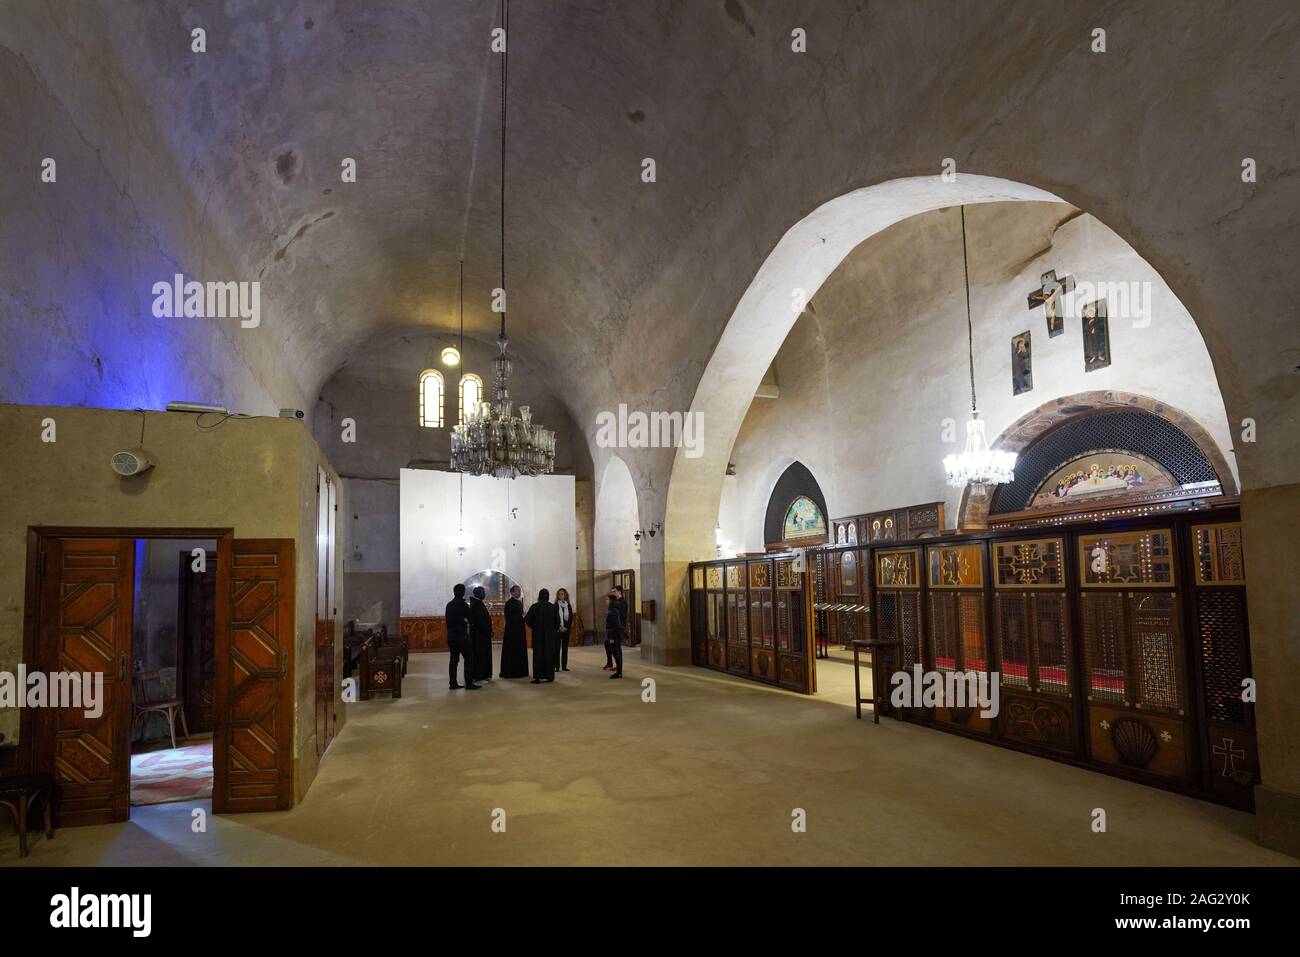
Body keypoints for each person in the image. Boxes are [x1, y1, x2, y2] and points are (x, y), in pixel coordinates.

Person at [446, 584, 479, 690]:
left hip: (451, 636)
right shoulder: (463, 605)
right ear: (463, 592)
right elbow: (471, 619)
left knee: (453, 661)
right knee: (469, 658)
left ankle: (453, 683)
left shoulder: (449, 605)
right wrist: (465, 620)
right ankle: (468, 683)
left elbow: (449, 620)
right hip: (462, 637)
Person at [525, 588, 559, 683]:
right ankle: (550, 676)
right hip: (550, 637)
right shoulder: (552, 607)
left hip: (537, 635)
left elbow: (528, 621)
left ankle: (537, 677)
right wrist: (552, 630)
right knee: (549, 655)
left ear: (539, 596)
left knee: (538, 655)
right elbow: (557, 622)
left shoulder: (534, 607)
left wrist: (535, 627)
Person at [499, 584, 530, 678]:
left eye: (519, 590)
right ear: (512, 592)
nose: (519, 592)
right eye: (517, 591)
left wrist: (523, 618)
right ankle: (511, 672)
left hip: (520, 631)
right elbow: (508, 618)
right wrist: (521, 618)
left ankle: (520, 671)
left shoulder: (519, 603)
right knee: (511, 652)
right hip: (511, 632)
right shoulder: (509, 603)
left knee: (519, 651)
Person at [464, 586, 492, 689]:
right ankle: (480, 676)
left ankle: (483, 675)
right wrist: (488, 631)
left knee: (482, 655)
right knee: (480, 655)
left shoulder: (478, 603)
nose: (484, 594)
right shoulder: (476, 605)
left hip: (482, 635)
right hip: (480, 636)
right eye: (482, 592)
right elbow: (480, 622)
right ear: (478, 593)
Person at [554, 587, 574, 672]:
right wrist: (559, 627)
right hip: (558, 630)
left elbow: (571, 618)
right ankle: (557, 666)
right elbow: (554, 618)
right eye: (559, 594)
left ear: (565, 595)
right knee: (557, 648)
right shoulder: (555, 605)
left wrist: (566, 627)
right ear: (557, 596)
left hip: (566, 630)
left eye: (562, 594)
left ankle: (564, 666)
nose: (561, 595)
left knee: (565, 648)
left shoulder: (568, 605)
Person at [604, 593, 624, 679]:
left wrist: (611, 638)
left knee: (616, 653)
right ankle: (618, 670)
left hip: (614, 636)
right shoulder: (613, 611)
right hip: (614, 635)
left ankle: (619, 672)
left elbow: (614, 626)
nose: (606, 601)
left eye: (607, 600)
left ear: (611, 601)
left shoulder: (613, 612)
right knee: (616, 652)